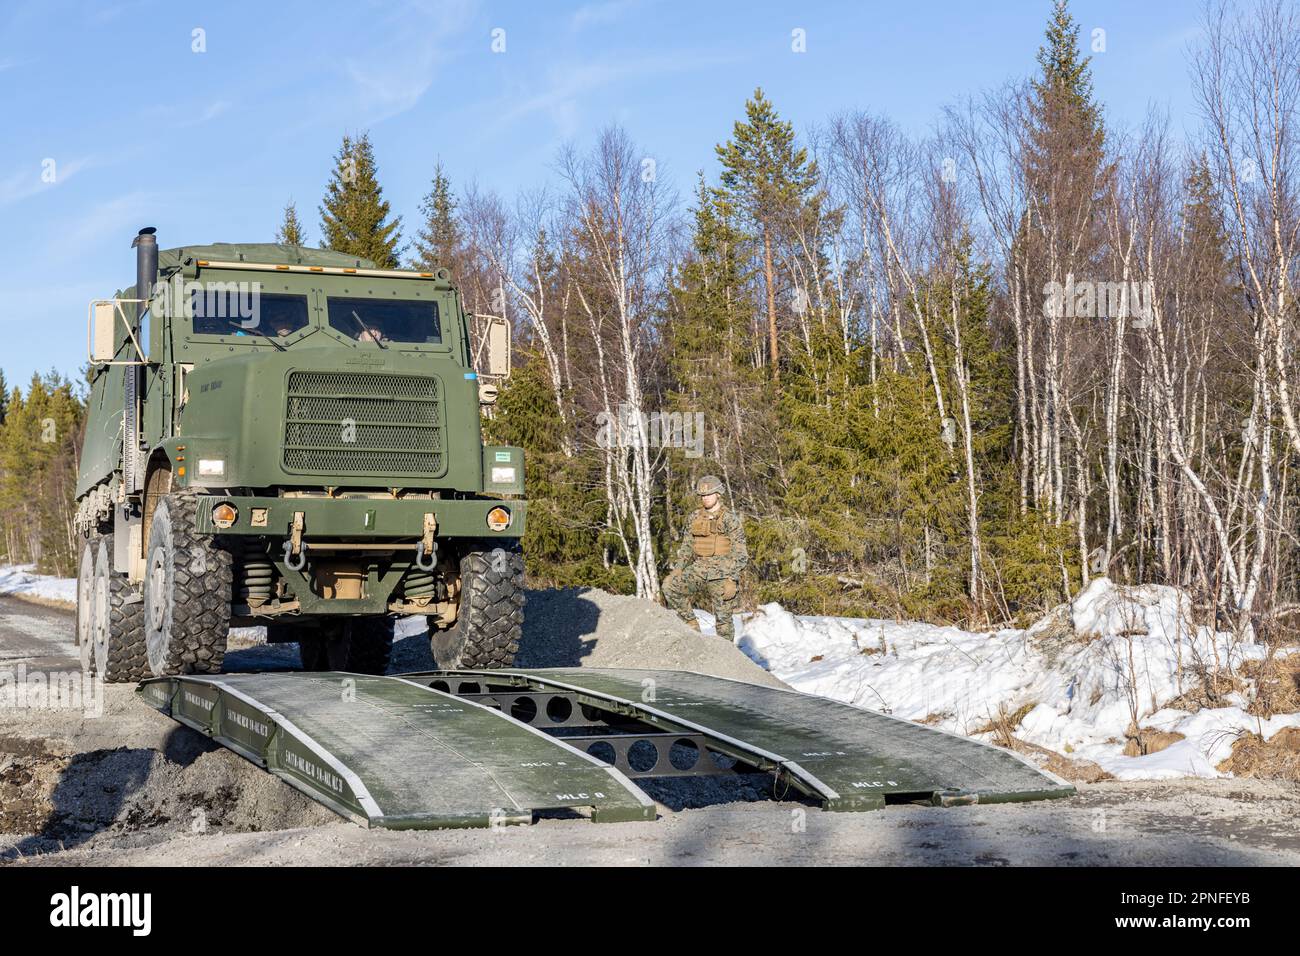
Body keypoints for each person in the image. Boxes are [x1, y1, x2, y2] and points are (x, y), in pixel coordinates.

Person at [663, 475, 747, 640]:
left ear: (718, 494)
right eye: (702, 495)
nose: (705, 498)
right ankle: (693, 630)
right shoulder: (695, 517)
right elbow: (687, 546)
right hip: (699, 568)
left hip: (722, 572)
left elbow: (741, 554)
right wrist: (679, 569)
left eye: (709, 494)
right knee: (670, 587)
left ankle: (726, 656)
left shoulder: (730, 519)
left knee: (723, 621)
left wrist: (732, 578)